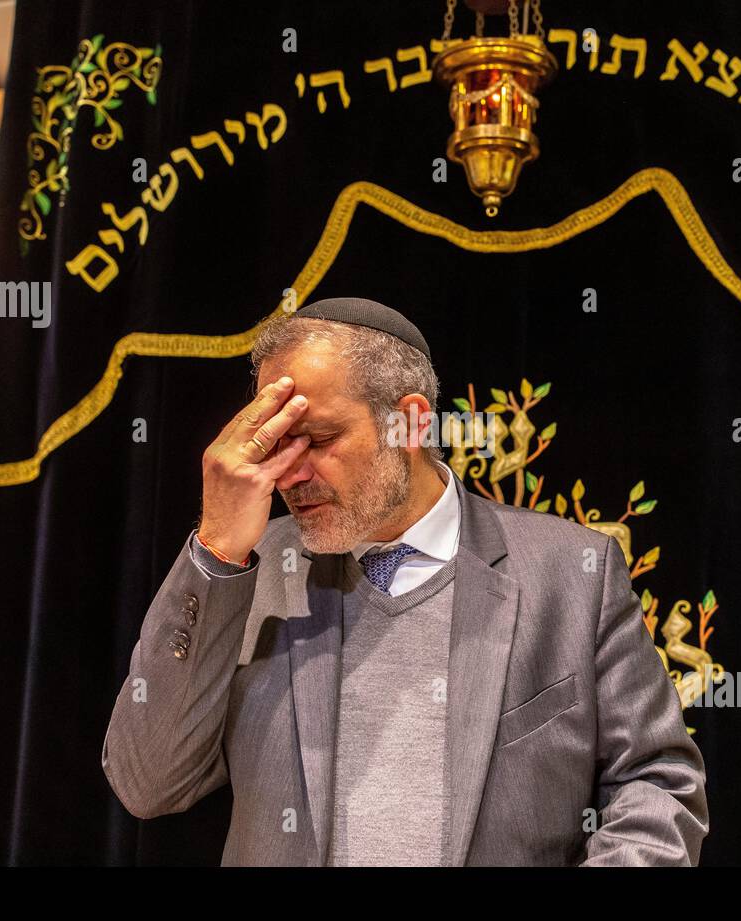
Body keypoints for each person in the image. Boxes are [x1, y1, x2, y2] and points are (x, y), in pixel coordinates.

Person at [101, 296, 709, 865]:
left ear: (411, 424)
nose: (291, 474)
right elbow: (147, 783)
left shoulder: (573, 574)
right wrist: (215, 553)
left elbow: (657, 782)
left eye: (318, 439)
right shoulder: (245, 571)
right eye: (277, 447)